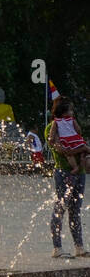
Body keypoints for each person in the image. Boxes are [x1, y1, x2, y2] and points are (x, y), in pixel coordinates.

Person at [46, 99, 87, 258]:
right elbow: (59, 148)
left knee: (75, 210)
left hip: (80, 172)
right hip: (65, 172)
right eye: (70, 110)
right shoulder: (51, 127)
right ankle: (57, 248)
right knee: (60, 208)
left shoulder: (72, 125)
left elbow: (79, 134)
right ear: (62, 111)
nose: (73, 113)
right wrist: (81, 149)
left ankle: (79, 247)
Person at [49, 98, 90, 174]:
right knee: (82, 149)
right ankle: (81, 162)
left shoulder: (56, 122)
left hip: (66, 140)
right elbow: (78, 130)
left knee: (68, 155)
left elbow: (52, 133)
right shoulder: (72, 119)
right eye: (71, 110)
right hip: (75, 139)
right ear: (64, 113)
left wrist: (51, 139)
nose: (72, 112)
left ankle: (75, 167)